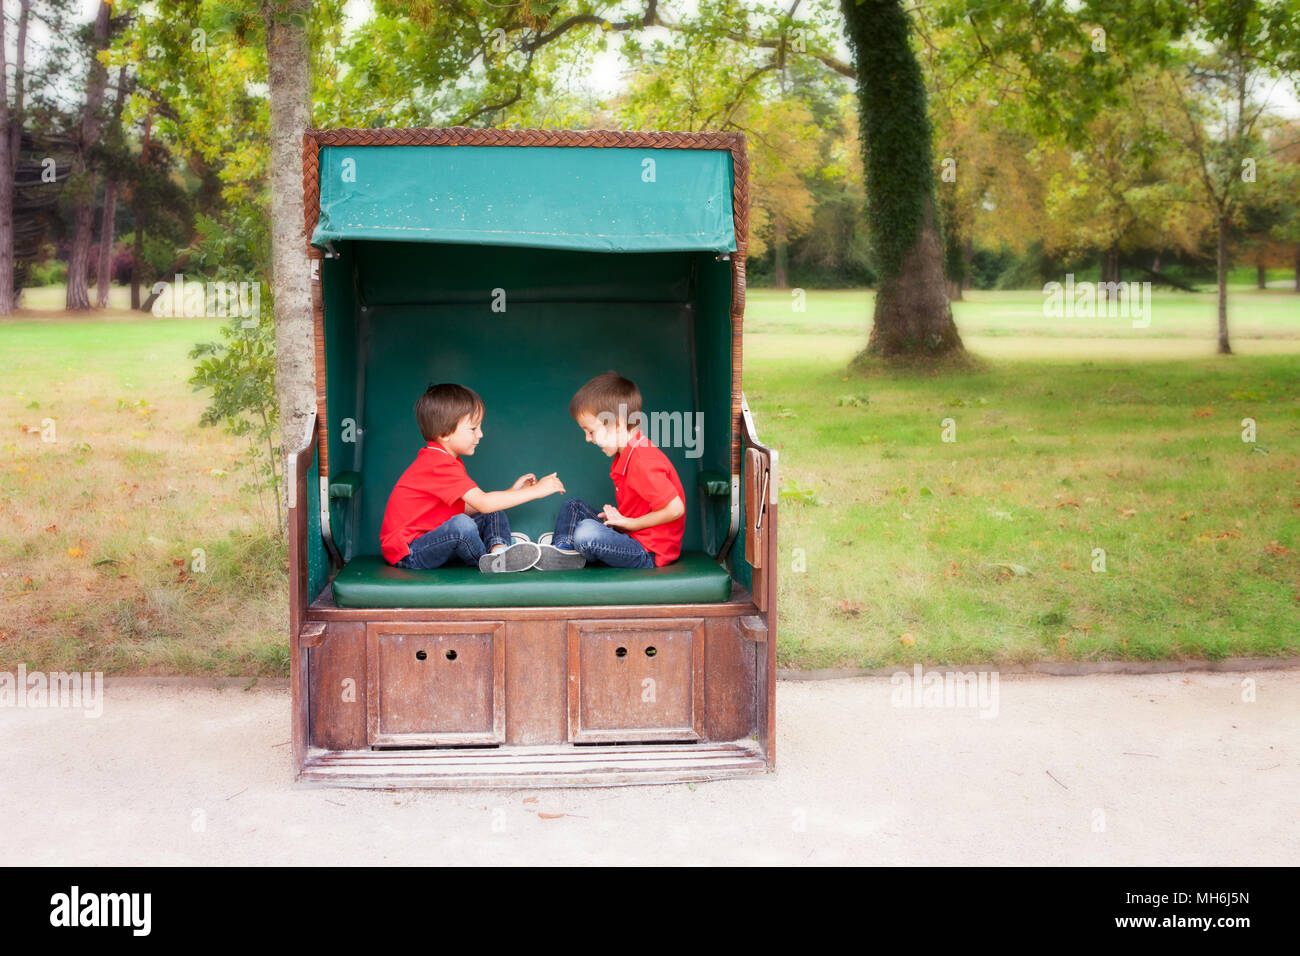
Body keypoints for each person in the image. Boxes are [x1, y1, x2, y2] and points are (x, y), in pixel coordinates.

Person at [380, 383, 563, 573]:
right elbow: (482, 502)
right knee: (462, 525)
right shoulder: (437, 463)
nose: (481, 434)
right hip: (409, 553)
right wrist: (536, 491)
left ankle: (500, 552)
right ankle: (490, 562)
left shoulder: (446, 459)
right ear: (444, 433)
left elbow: (472, 507)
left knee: (494, 511)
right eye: (473, 429)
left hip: (433, 540)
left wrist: (513, 492)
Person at [535, 371, 685, 571]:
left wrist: (630, 523)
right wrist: (621, 520)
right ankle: (562, 549)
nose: (588, 439)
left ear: (617, 425)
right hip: (629, 534)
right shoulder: (625, 453)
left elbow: (676, 509)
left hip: (647, 551)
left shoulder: (643, 460)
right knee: (574, 506)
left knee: (587, 533)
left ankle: (569, 544)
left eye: (591, 431)